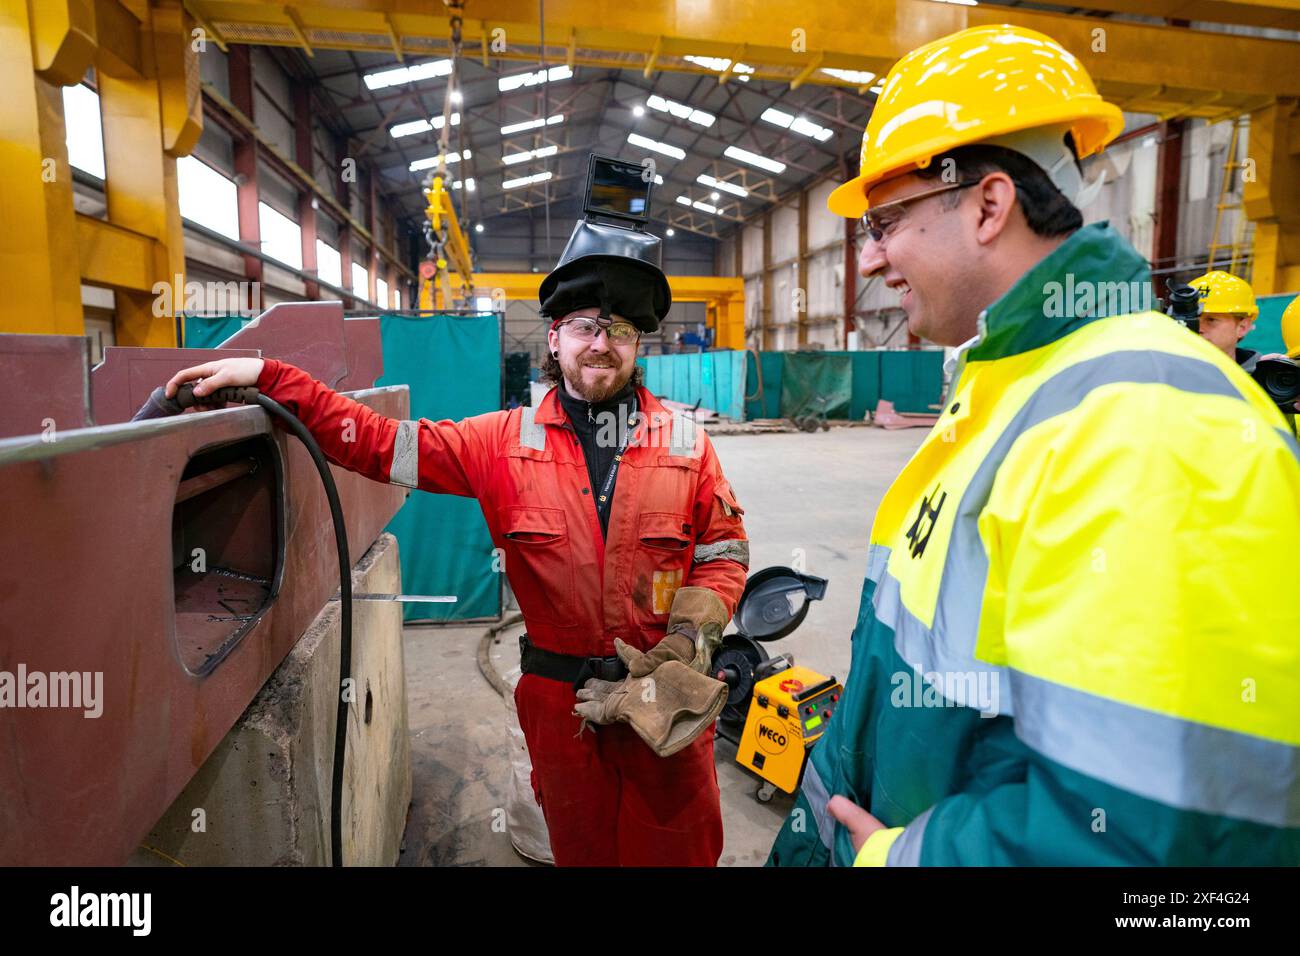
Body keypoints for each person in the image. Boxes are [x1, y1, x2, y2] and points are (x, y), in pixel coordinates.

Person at [767, 23, 1300, 867]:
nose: (870, 260)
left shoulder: (1146, 424)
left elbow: (1149, 838)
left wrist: (900, 860)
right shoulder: (1009, 390)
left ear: (986, 205)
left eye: (887, 221)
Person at [163, 213, 749, 867]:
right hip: (564, 714)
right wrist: (273, 377)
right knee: (583, 853)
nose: (601, 345)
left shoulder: (686, 443)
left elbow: (722, 553)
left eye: (620, 331)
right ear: (554, 338)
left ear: (639, 345)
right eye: (585, 326)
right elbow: (381, 443)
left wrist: (685, 646)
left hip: (666, 707)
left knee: (680, 852)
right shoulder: (498, 443)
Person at [1187, 270, 1260, 369]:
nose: (1199, 328)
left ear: (1242, 327)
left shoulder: (1263, 380)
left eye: (1211, 320)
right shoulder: (1166, 373)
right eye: (1192, 319)